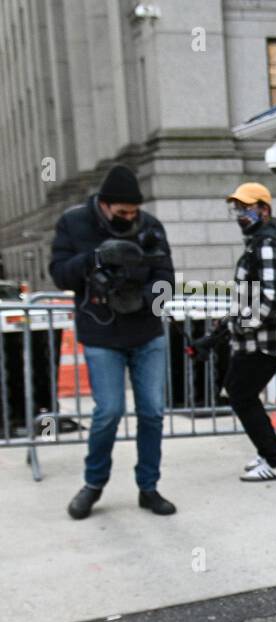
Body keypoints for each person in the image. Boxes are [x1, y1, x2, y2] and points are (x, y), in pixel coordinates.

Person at [49, 164, 177, 519]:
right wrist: (94, 258)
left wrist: (146, 297)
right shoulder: (73, 223)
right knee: (108, 412)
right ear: (104, 205)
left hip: (147, 332)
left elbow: (167, 277)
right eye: (122, 213)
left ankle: (148, 488)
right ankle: (93, 485)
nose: (129, 218)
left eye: (133, 212)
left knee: (152, 412)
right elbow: (59, 275)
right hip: (101, 333)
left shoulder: (150, 226)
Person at [221, 182, 276, 481]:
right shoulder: (261, 240)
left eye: (246, 207)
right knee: (242, 391)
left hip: (268, 340)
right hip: (265, 338)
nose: (240, 214)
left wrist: (243, 324)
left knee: (240, 393)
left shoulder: (267, 244)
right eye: (237, 208)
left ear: (264, 209)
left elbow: (274, 295)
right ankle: (273, 447)